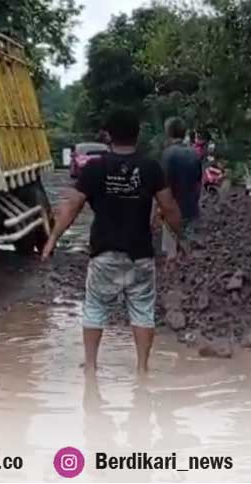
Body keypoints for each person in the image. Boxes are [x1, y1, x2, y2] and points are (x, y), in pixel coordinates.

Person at [41, 108, 184, 374]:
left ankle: (91, 368)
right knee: (142, 310)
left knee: (95, 308)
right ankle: (142, 369)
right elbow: (169, 208)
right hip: (140, 253)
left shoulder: (94, 168)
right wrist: (180, 239)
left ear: (108, 135)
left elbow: (71, 207)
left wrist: (52, 240)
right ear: (137, 135)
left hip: (104, 252)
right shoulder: (151, 167)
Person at [160, 118, 203, 260]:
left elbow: (164, 185)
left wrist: (160, 209)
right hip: (191, 208)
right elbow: (198, 183)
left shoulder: (168, 154)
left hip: (173, 210)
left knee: (172, 254)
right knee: (191, 252)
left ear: (168, 132)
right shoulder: (193, 153)